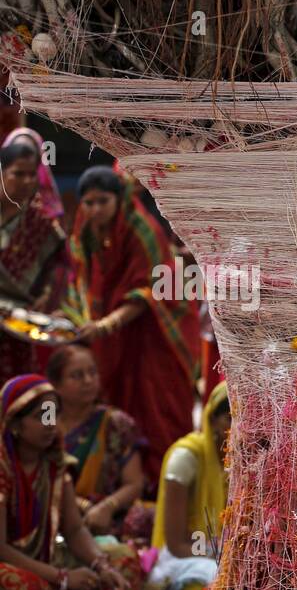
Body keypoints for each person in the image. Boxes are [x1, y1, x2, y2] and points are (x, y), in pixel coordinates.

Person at [68, 165, 200, 485]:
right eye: (89, 202)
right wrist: (84, 318)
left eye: (103, 202)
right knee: (111, 398)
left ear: (119, 199)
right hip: (111, 329)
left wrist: (104, 326)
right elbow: (81, 275)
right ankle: (118, 484)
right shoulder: (85, 226)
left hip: (153, 333)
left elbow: (149, 291)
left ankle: (161, 489)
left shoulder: (141, 228)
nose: (95, 209)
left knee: (155, 406)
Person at [0, 375, 139, 590]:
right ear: (15, 424)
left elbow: (74, 530)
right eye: (42, 416)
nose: (51, 424)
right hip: (10, 563)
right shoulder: (2, 466)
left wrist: (101, 566)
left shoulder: (55, 465)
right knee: (18, 582)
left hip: (47, 560)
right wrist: (62, 577)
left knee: (122, 556)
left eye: (54, 414)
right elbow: (1, 548)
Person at [47, 342, 149, 541]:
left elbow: (135, 483)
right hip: (52, 513)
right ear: (55, 385)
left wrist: (107, 507)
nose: (88, 381)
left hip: (100, 519)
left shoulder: (116, 423)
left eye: (92, 373)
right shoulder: (46, 422)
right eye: (77, 375)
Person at [150, 382, 230, 590]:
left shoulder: (249, 458)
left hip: (224, 555)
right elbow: (176, 544)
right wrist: (220, 560)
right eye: (229, 419)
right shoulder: (186, 457)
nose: (236, 428)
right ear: (213, 421)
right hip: (186, 558)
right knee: (218, 587)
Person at [0, 143, 68, 384]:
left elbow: (60, 274)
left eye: (32, 174)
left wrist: (47, 298)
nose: (28, 181)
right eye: (19, 173)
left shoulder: (43, 227)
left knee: (16, 399)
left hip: (18, 331)